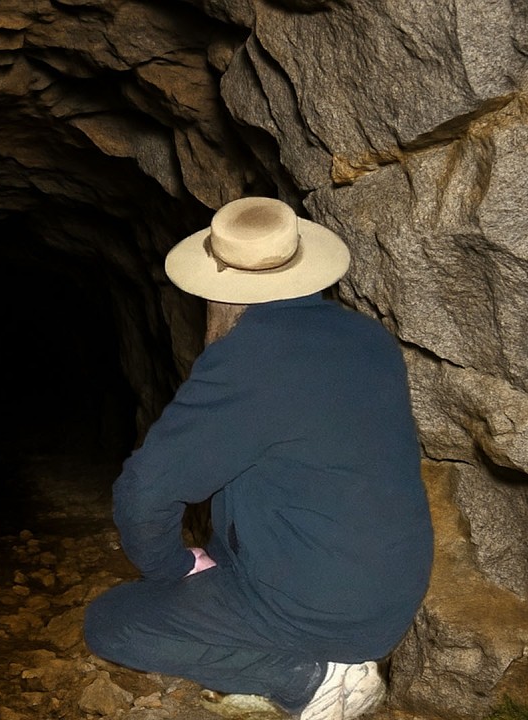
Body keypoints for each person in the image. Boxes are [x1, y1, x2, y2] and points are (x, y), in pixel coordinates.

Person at [83, 197, 433, 720]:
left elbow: (144, 490)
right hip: (391, 596)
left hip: (322, 609)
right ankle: (322, 651)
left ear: (220, 288)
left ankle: (312, 678)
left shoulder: (247, 359)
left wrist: (172, 566)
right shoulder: (369, 338)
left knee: (111, 621)